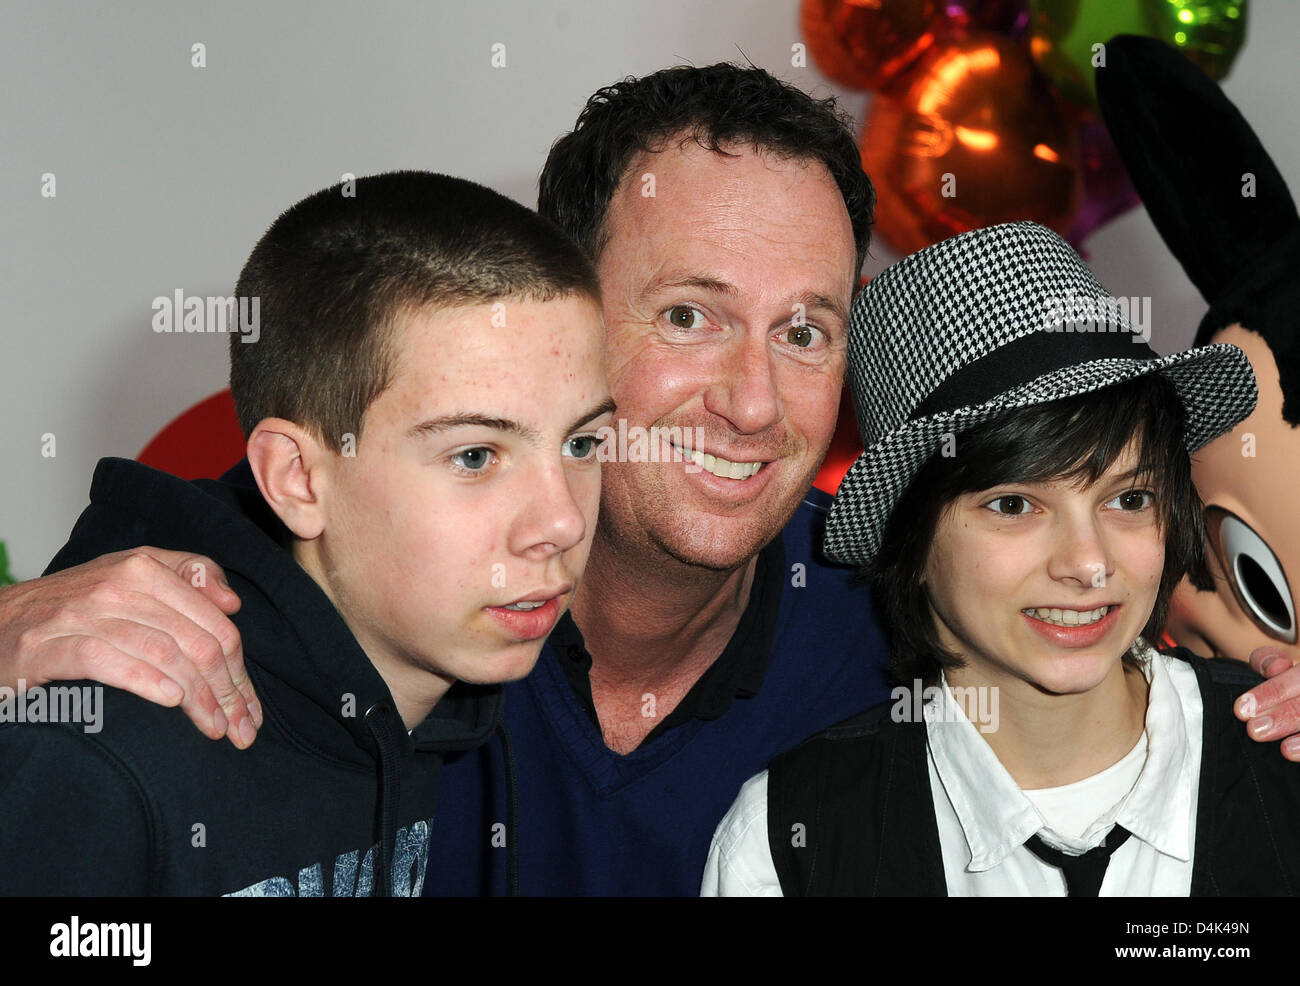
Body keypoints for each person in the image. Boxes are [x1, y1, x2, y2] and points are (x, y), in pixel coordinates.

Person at [3, 64, 1300, 897]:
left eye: (805, 331)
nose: (750, 400)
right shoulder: (339, 552)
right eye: (690, 314)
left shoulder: (906, 626)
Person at [0, 171, 613, 895]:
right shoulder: (100, 763)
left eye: (582, 444)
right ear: (296, 478)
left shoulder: (489, 693)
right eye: (475, 456)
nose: (562, 523)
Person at [702, 222, 1300, 896]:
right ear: (912, 536)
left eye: (1128, 499)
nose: (1088, 562)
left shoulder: (1281, 759)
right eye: (1015, 506)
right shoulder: (792, 841)